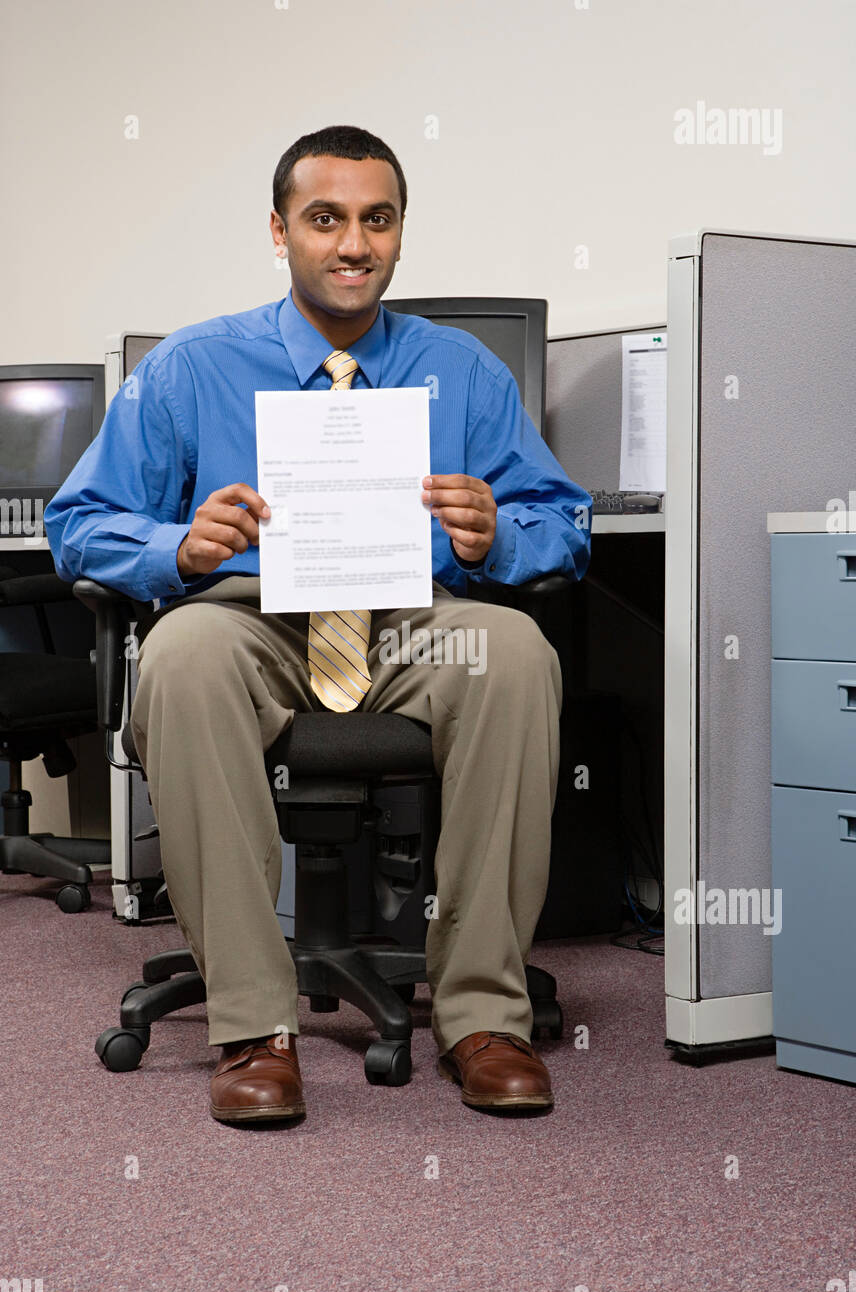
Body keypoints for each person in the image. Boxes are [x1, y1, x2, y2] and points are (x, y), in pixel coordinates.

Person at [45, 124, 592, 1125]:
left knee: (512, 650)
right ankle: (252, 1025)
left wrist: (493, 537)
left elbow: (562, 521)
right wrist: (179, 548)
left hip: (407, 621)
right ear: (279, 229)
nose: (352, 243)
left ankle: (483, 1016)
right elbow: (75, 526)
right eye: (324, 218)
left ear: (397, 234)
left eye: (375, 220)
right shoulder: (191, 368)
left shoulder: (460, 372)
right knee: (184, 653)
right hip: (250, 619)